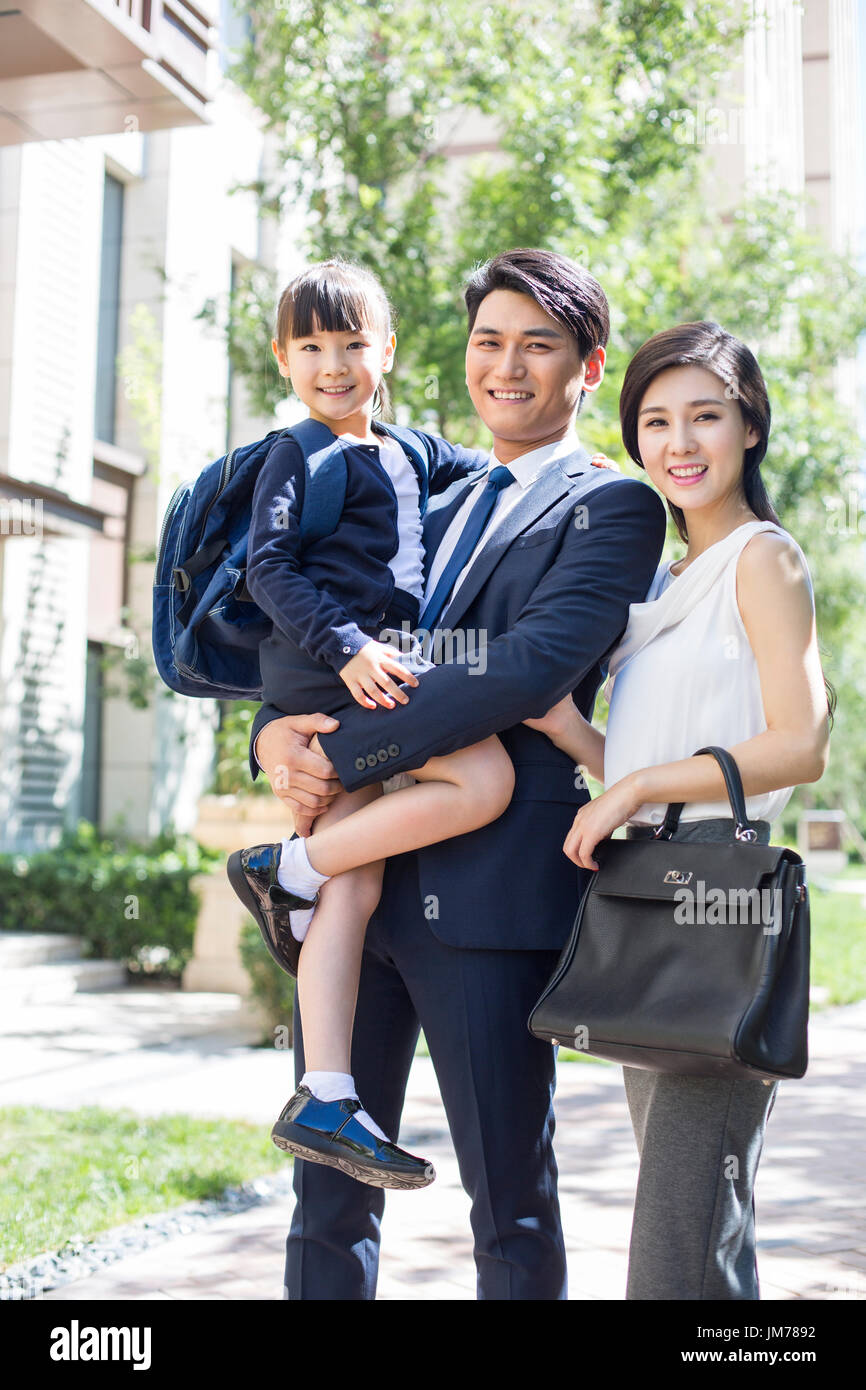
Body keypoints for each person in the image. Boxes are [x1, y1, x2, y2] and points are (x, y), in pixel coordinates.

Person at [249, 247, 668, 1300]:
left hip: (484, 899)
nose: (508, 366)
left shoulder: (610, 509)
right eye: (490, 341)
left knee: (508, 1206)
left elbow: (529, 668)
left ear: (587, 364)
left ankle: (285, 865)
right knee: (329, 1197)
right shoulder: (419, 499)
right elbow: (327, 634)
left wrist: (334, 755)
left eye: (539, 345)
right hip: (356, 893)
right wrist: (273, 738)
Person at [524, 321, 831, 1300]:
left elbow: (799, 742)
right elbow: (650, 758)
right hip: (645, 894)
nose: (679, 442)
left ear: (748, 427)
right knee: (693, 1234)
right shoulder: (659, 584)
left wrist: (639, 785)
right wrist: (576, 737)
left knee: (676, 1248)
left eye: (704, 414)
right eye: (655, 421)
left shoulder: (761, 558)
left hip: (716, 894)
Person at [228, 258, 518, 1189]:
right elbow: (266, 568)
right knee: (483, 779)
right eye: (310, 345)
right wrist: (349, 646)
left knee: (349, 880)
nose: (334, 363)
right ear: (283, 358)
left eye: (353, 343)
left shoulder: (412, 449)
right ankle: (284, 869)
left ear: (386, 349)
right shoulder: (294, 453)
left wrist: (583, 464)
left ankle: (325, 1092)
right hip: (342, 677)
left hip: (374, 679)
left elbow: (489, 470)